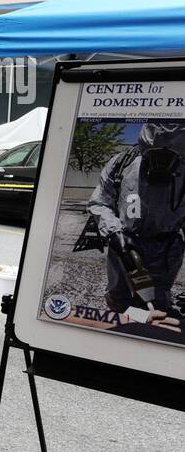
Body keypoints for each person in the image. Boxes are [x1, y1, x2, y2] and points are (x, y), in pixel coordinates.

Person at [88, 123, 185, 317]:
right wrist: (115, 233)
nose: (161, 161)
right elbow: (99, 202)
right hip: (126, 245)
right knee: (118, 300)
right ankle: (125, 330)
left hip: (165, 249)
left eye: (169, 156)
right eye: (154, 154)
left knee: (157, 305)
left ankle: (149, 334)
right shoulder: (122, 163)